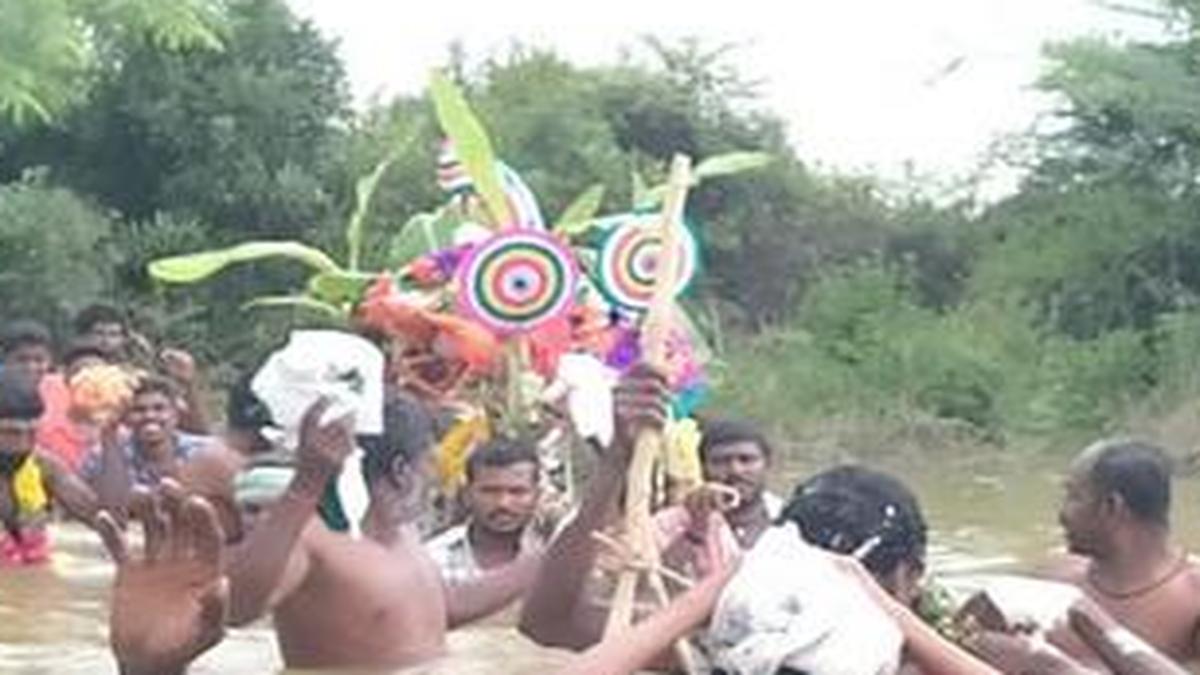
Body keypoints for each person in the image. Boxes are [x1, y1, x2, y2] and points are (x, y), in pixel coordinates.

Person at [223, 393, 539, 670]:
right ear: (403, 470)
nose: (435, 475)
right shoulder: (313, 536)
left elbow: (441, 609)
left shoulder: (404, 531)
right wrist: (305, 486)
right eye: (429, 461)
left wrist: (545, 561)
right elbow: (234, 608)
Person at [1043, 438, 1200, 665]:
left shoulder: (1193, 598)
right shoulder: (1054, 580)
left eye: (1074, 497)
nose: (1062, 515)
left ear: (1112, 506)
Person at [0, 372, 99, 565]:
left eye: (31, 432)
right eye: (10, 433)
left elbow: (102, 518)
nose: (23, 446)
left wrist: (110, 437)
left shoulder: (42, 464)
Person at [81, 376, 213, 516]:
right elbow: (111, 511)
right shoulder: (101, 455)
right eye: (139, 410)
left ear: (175, 415)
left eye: (159, 408)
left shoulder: (204, 451)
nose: (149, 416)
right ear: (125, 417)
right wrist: (109, 434)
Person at [425, 438, 544, 586]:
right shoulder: (431, 559)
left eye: (517, 492)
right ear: (467, 494)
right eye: (490, 491)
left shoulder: (556, 557)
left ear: (537, 495)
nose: (503, 503)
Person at [697, 417, 784, 549]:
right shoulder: (676, 527)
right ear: (701, 467)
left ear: (768, 464)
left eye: (746, 460)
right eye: (721, 461)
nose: (735, 471)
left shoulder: (793, 523)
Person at [34, 338, 108, 471]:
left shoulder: (121, 420)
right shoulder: (42, 418)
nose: (89, 379)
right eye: (80, 373)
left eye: (98, 373)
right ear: (66, 377)